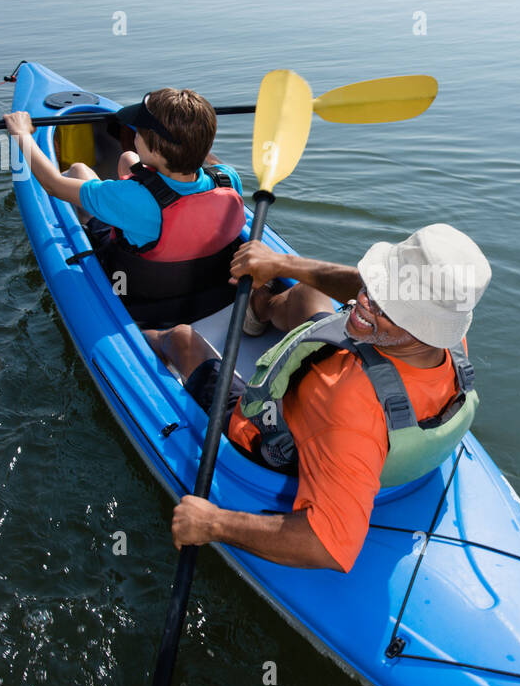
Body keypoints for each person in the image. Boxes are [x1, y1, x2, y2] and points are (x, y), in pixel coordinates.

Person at [150, 224, 492, 574]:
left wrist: (212, 524)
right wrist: (281, 264)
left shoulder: (346, 399)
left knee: (182, 339)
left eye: (389, 307)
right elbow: (363, 294)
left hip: (268, 441)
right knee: (304, 295)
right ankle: (262, 307)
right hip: (372, 431)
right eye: (374, 286)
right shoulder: (445, 341)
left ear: (423, 326)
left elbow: (328, 545)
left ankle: (145, 337)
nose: (362, 301)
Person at [5, 88, 245, 326]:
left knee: (78, 170)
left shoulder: (130, 197)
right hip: (209, 286)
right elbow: (211, 165)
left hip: (140, 293)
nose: (135, 136)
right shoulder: (228, 178)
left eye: (138, 133)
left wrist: (22, 134)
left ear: (156, 150)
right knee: (128, 159)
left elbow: (53, 185)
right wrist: (195, 144)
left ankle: (88, 219)